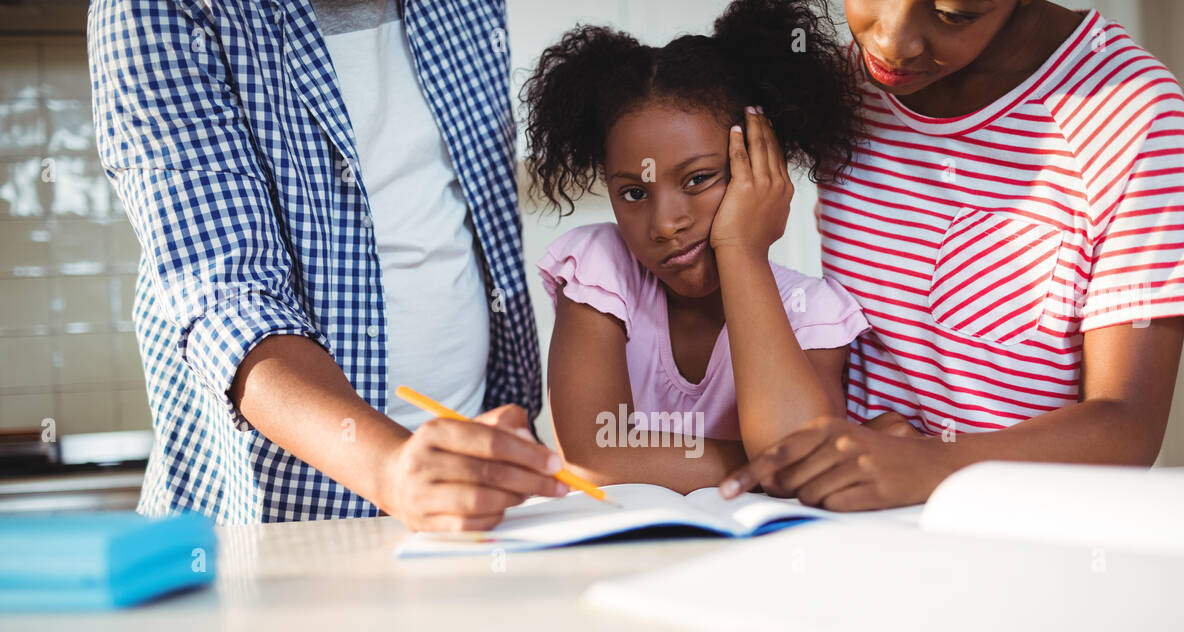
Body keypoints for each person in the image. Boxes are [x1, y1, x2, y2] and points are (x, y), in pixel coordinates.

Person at [88, 0, 565, 531]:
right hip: (283, 527)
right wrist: (394, 470)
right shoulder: (155, 9)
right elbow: (233, 304)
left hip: (477, 505)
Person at [721, 0, 1184, 508]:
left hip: (1027, 534)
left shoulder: (1125, 107)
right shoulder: (849, 82)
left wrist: (936, 464)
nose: (893, 41)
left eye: (954, 15)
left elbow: (1127, 425)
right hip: (857, 523)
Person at [525, 0, 870, 493]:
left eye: (698, 179)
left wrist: (742, 253)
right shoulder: (600, 272)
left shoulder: (810, 312)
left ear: (761, 165)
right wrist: (765, 465)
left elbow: (803, 459)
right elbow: (594, 456)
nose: (665, 224)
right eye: (634, 192)